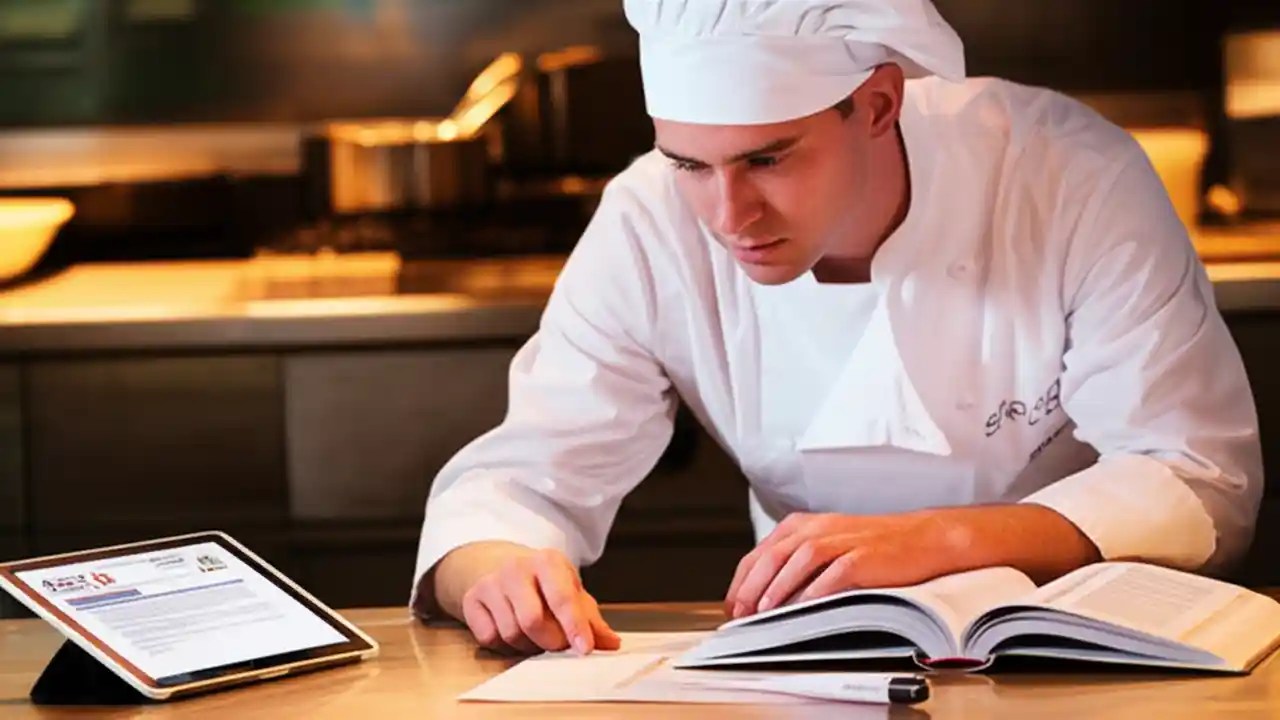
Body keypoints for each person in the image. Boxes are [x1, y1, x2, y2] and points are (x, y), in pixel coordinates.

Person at [410, 0, 1263, 657]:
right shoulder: (648, 220)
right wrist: (497, 569)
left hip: (1093, 661)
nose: (727, 214)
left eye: (768, 159)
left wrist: (942, 540)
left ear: (880, 104)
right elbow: (519, 483)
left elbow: (1197, 479)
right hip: (819, 668)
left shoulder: (1066, 177)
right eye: (690, 165)